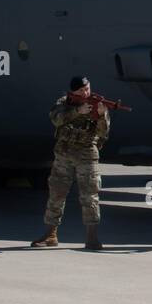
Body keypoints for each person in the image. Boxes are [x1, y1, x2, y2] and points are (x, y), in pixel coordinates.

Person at [31, 76, 108, 250]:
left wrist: (102, 116)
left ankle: (92, 238)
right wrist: (77, 111)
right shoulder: (64, 102)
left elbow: (104, 133)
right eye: (81, 90)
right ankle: (51, 234)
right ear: (73, 92)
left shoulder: (97, 104)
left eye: (87, 88)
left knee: (90, 196)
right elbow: (56, 118)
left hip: (87, 155)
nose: (85, 92)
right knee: (56, 194)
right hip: (64, 154)